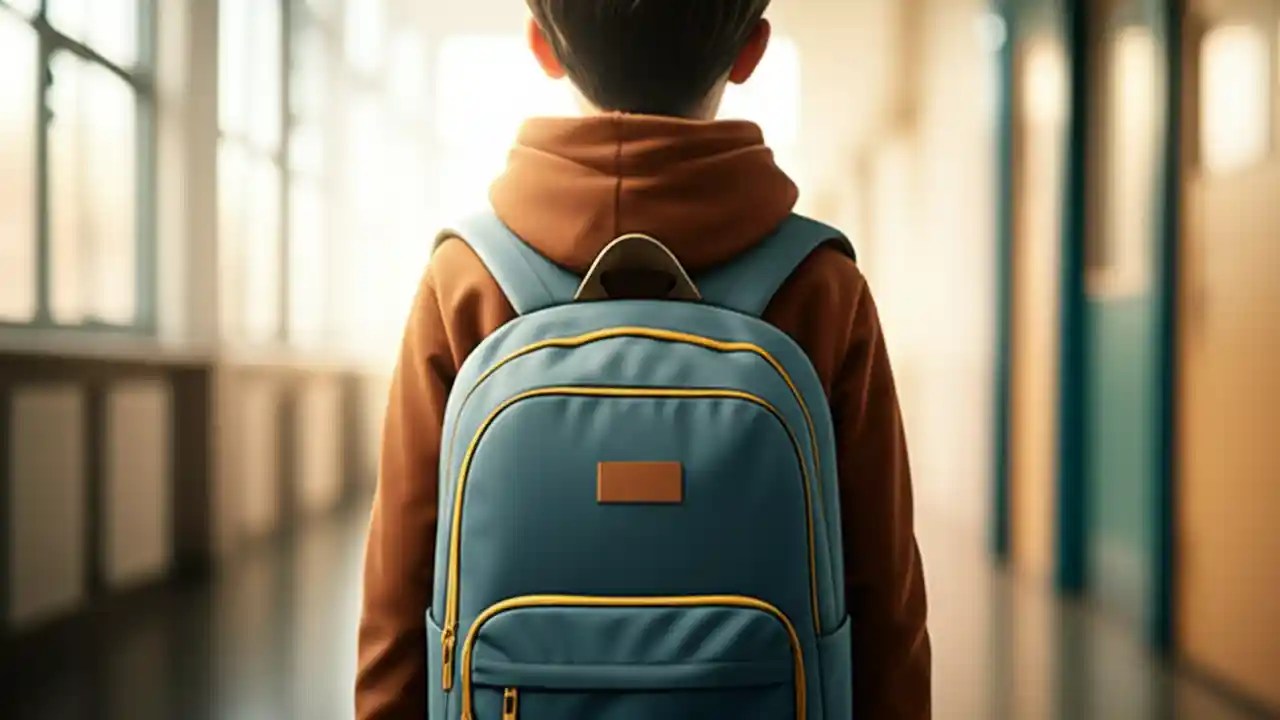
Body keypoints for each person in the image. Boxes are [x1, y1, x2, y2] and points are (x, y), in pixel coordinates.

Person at [356, 1, 930, 717]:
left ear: (541, 44)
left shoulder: (465, 281)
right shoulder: (822, 286)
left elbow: (397, 593)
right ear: (751, 51)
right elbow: (887, 600)